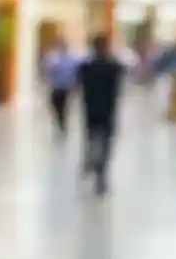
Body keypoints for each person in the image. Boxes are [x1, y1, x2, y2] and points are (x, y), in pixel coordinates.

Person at [77, 34, 125, 196]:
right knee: (105, 144)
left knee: (92, 140)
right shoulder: (113, 67)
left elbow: (80, 85)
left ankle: (92, 164)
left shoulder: (86, 67)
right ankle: (100, 173)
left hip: (90, 111)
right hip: (108, 111)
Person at [42, 40, 80, 138]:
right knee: (54, 104)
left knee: (63, 106)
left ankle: (62, 123)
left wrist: (75, 85)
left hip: (66, 87)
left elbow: (76, 73)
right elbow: (47, 70)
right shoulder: (53, 58)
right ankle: (61, 121)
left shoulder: (71, 59)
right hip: (56, 86)